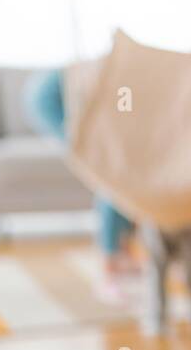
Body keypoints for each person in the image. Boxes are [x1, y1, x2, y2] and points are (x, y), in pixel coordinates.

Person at [22, 68, 138, 300]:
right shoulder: (130, 84)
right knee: (109, 177)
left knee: (122, 174)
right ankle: (109, 269)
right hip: (50, 96)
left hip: (52, 88)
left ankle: (121, 255)